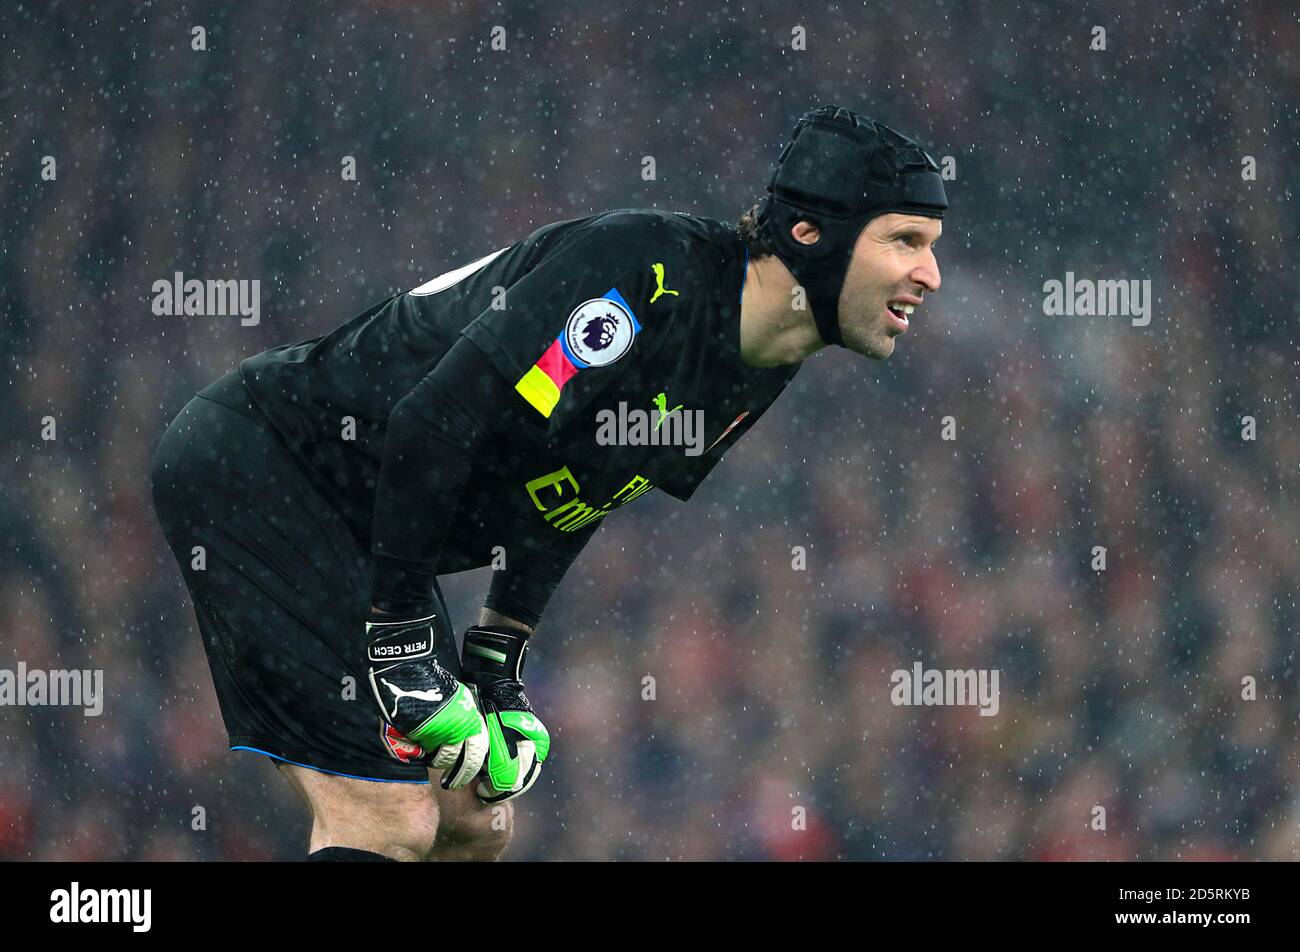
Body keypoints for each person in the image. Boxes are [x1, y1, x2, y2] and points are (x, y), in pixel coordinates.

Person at [149, 104, 947, 861]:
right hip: (266, 464)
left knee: (472, 823)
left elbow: (581, 490)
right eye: (905, 239)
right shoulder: (645, 276)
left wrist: (499, 649)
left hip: (359, 518)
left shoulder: (764, 362)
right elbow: (434, 424)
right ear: (810, 233)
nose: (931, 273)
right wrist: (400, 637)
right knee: (387, 815)